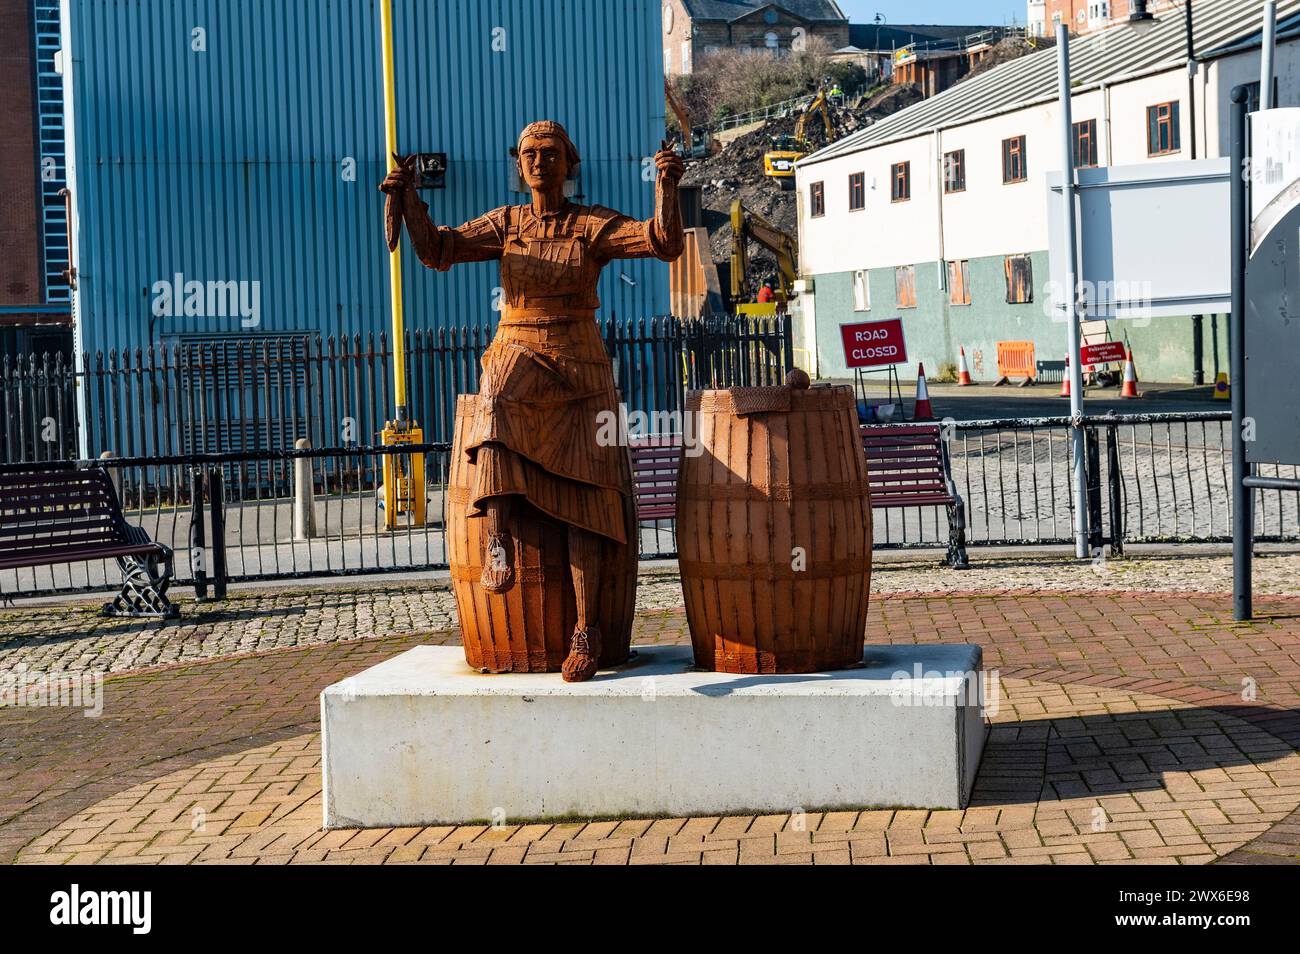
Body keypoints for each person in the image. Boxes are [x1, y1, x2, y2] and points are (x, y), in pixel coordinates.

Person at [380, 122, 684, 682]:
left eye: (549, 153)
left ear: (569, 163)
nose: (538, 161)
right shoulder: (506, 223)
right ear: (518, 166)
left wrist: (666, 186)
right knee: (495, 394)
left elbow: (661, 243)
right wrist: (410, 200)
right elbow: (439, 250)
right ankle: (496, 533)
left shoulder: (591, 224)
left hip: (579, 364)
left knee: (586, 501)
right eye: (528, 154)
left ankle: (587, 632)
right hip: (518, 346)